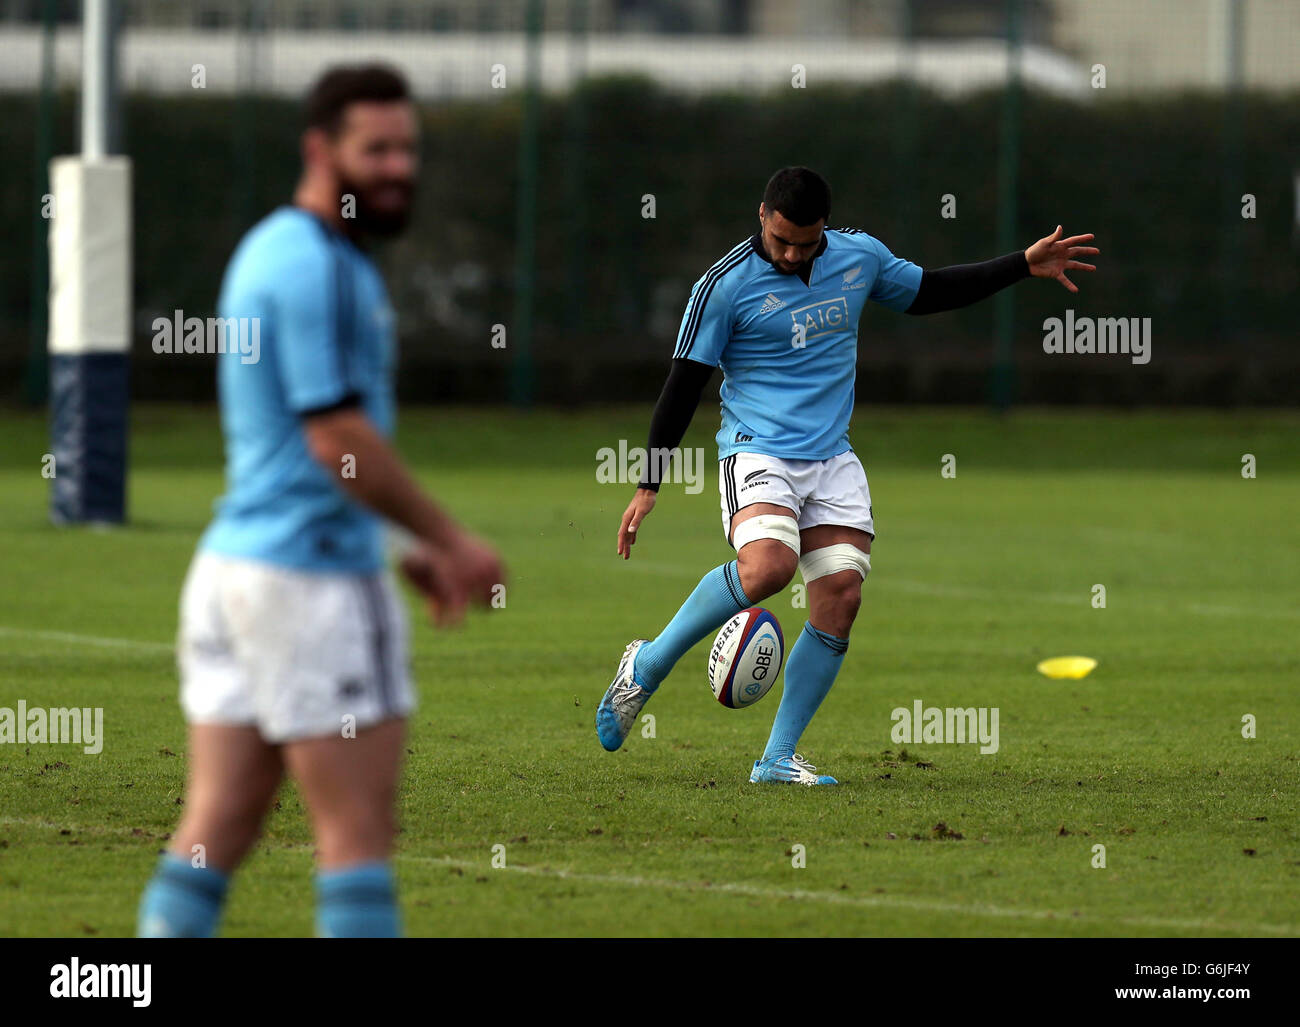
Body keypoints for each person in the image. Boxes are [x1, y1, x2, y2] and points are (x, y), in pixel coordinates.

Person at [137, 64, 503, 936]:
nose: (396, 167)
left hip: (234, 572)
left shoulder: (274, 248)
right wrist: (450, 540)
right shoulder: (322, 266)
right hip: (312, 590)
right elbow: (335, 439)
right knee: (356, 836)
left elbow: (317, 451)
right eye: (375, 149)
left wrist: (388, 537)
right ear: (320, 149)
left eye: (407, 148)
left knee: (215, 828)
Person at [597, 166, 1097, 785]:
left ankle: (777, 757)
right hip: (758, 452)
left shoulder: (859, 258)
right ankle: (645, 667)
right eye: (781, 240)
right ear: (762, 217)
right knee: (769, 569)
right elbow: (682, 388)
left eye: (805, 243)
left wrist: (1021, 263)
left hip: (832, 457)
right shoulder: (723, 287)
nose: (791, 253)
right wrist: (649, 483)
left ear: (823, 229)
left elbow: (931, 292)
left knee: (840, 598)